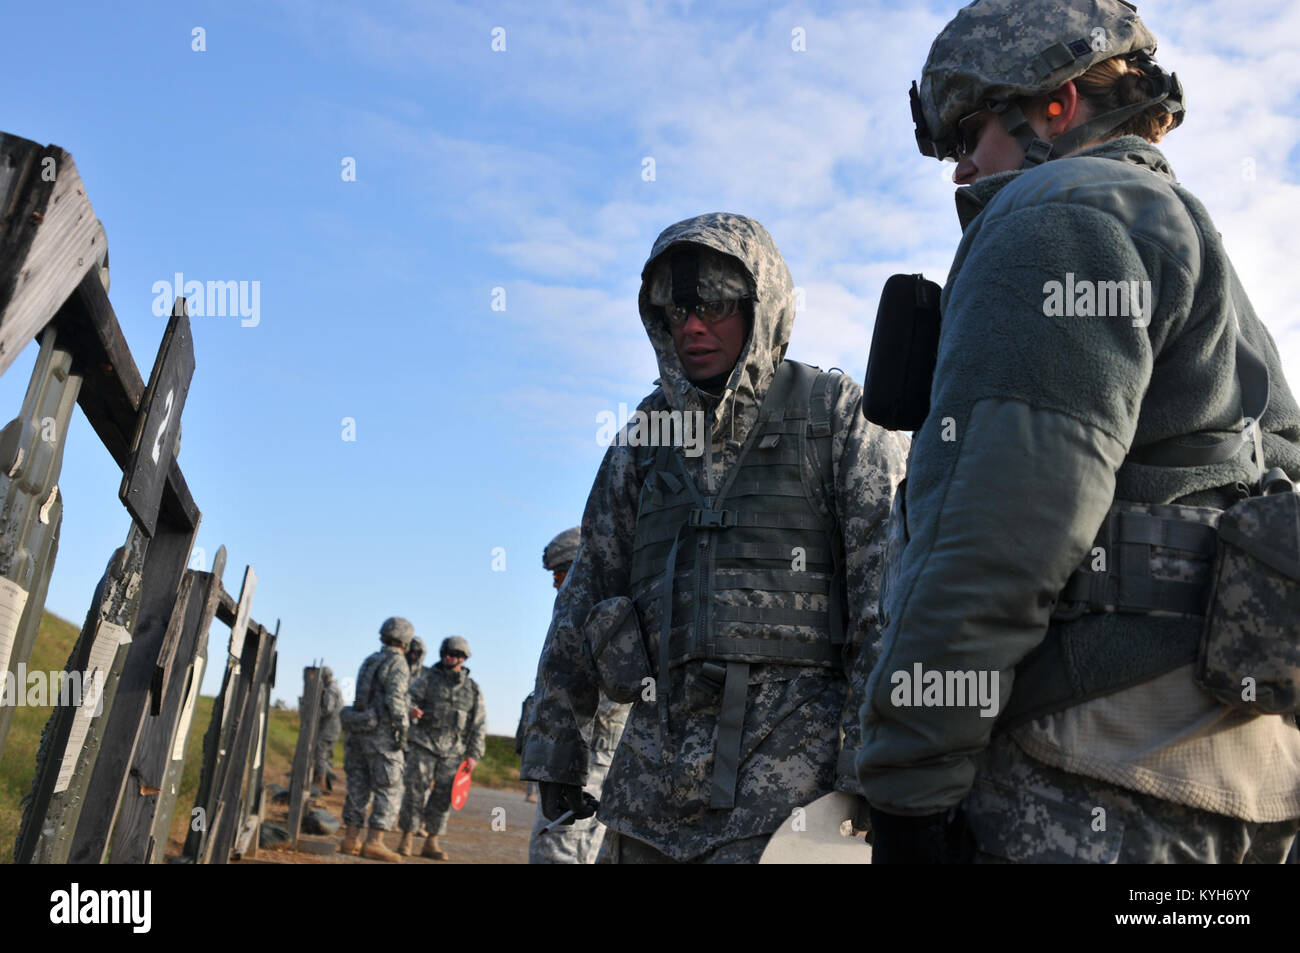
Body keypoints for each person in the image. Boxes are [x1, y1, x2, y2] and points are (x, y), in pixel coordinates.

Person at [858, 0, 1300, 864]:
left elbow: (997, 534)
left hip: (1090, 773)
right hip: (1245, 790)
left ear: (1052, 104)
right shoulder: (1188, 239)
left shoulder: (1054, 212)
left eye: (970, 135)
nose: (960, 171)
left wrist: (909, 788)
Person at [522, 213, 909, 863]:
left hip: (788, 803)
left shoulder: (835, 415)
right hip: (648, 795)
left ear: (763, 307)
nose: (692, 326)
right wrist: (557, 743)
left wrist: (870, 767)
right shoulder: (645, 437)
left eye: (714, 305)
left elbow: (888, 598)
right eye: (674, 310)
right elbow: (585, 594)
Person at [527, 527, 630, 864]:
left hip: (585, 750)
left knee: (557, 841)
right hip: (606, 748)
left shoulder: (586, 605)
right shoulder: (623, 604)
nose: (555, 582)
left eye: (559, 572)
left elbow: (565, 684)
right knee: (586, 844)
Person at [396, 636, 487, 860]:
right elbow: (407, 698)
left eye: (455, 655)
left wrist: (474, 755)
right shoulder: (427, 678)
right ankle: (406, 838)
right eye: (446, 653)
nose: (450, 658)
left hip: (453, 752)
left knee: (443, 797)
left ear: (463, 658)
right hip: (423, 744)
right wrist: (411, 710)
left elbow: (479, 725)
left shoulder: (472, 690)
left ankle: (431, 842)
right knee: (414, 792)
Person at [339, 617, 412, 863]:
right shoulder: (398, 663)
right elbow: (395, 700)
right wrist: (402, 732)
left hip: (358, 732)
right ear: (405, 640)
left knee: (358, 787)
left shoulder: (370, 659)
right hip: (381, 737)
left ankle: (350, 839)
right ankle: (374, 842)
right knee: (388, 788)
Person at [313, 666, 343, 790]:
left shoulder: (330, 690)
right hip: (333, 728)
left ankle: (320, 783)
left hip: (328, 728)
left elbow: (328, 709)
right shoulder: (335, 688)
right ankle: (326, 783)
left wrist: (316, 714)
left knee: (320, 753)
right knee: (324, 755)